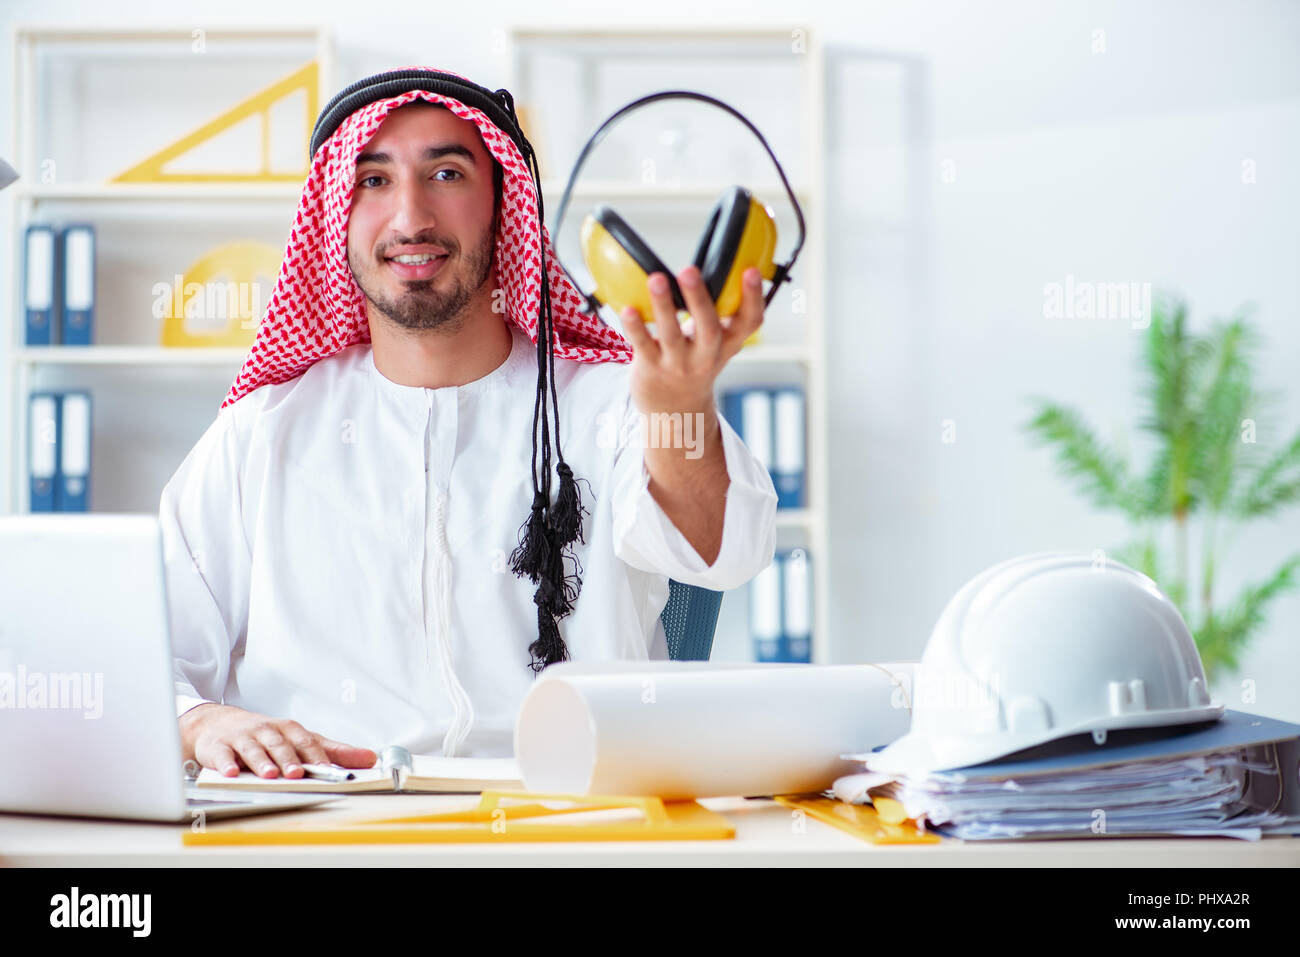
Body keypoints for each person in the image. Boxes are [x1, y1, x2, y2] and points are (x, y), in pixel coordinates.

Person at [162, 68, 778, 777]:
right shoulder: (262, 434)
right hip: (324, 810)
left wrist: (678, 404)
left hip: (571, 812)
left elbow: (723, 551)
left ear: (503, 205)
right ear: (335, 215)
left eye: (447, 174)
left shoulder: (616, 404)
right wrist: (200, 719)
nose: (410, 218)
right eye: (373, 180)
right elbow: (147, 648)